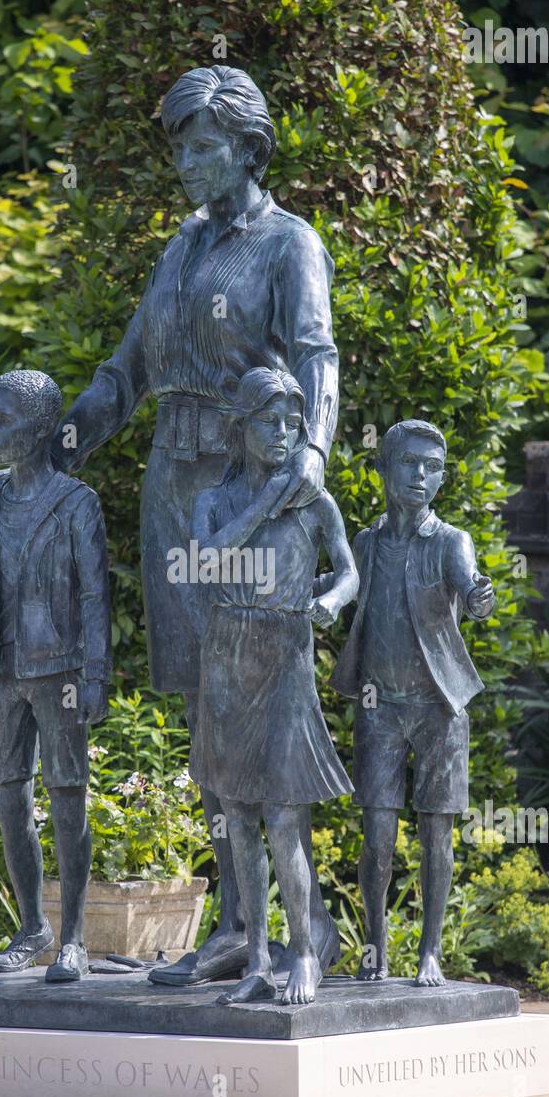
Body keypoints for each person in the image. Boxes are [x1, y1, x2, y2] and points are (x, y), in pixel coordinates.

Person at [53, 65, 341, 985]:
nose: (184, 161)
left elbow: (315, 354)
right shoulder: (177, 251)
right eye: (177, 145)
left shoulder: (288, 244)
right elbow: (124, 370)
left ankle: (305, 933)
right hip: (172, 493)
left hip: (247, 498)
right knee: (202, 714)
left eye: (202, 144)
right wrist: (65, 438)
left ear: (249, 149)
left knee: (260, 708)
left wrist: (315, 455)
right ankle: (233, 925)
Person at [0, 370, 111, 982]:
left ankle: (74, 937)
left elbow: (94, 598)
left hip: (57, 669)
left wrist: (94, 676)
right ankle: (32, 927)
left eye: (2, 420)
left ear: (38, 430)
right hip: (1, 671)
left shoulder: (76, 504)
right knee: (11, 799)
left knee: (67, 799)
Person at [189, 368, 358, 1005]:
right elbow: (208, 561)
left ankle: (305, 952)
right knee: (235, 815)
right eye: (269, 421)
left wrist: (335, 602)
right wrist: (266, 502)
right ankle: (256, 957)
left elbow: (347, 571)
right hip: (228, 654)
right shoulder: (213, 499)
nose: (284, 433)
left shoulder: (317, 503)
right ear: (242, 426)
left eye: (293, 422)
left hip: (287, 652)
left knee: (286, 816)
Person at [330, 419, 495, 987]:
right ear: (385, 468)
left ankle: (430, 951)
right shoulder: (366, 544)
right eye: (410, 463)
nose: (421, 475)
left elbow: (470, 586)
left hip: (438, 708)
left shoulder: (451, 542)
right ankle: (373, 947)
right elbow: (347, 594)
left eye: (432, 467)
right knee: (376, 837)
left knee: (435, 836)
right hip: (378, 706)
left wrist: (477, 597)